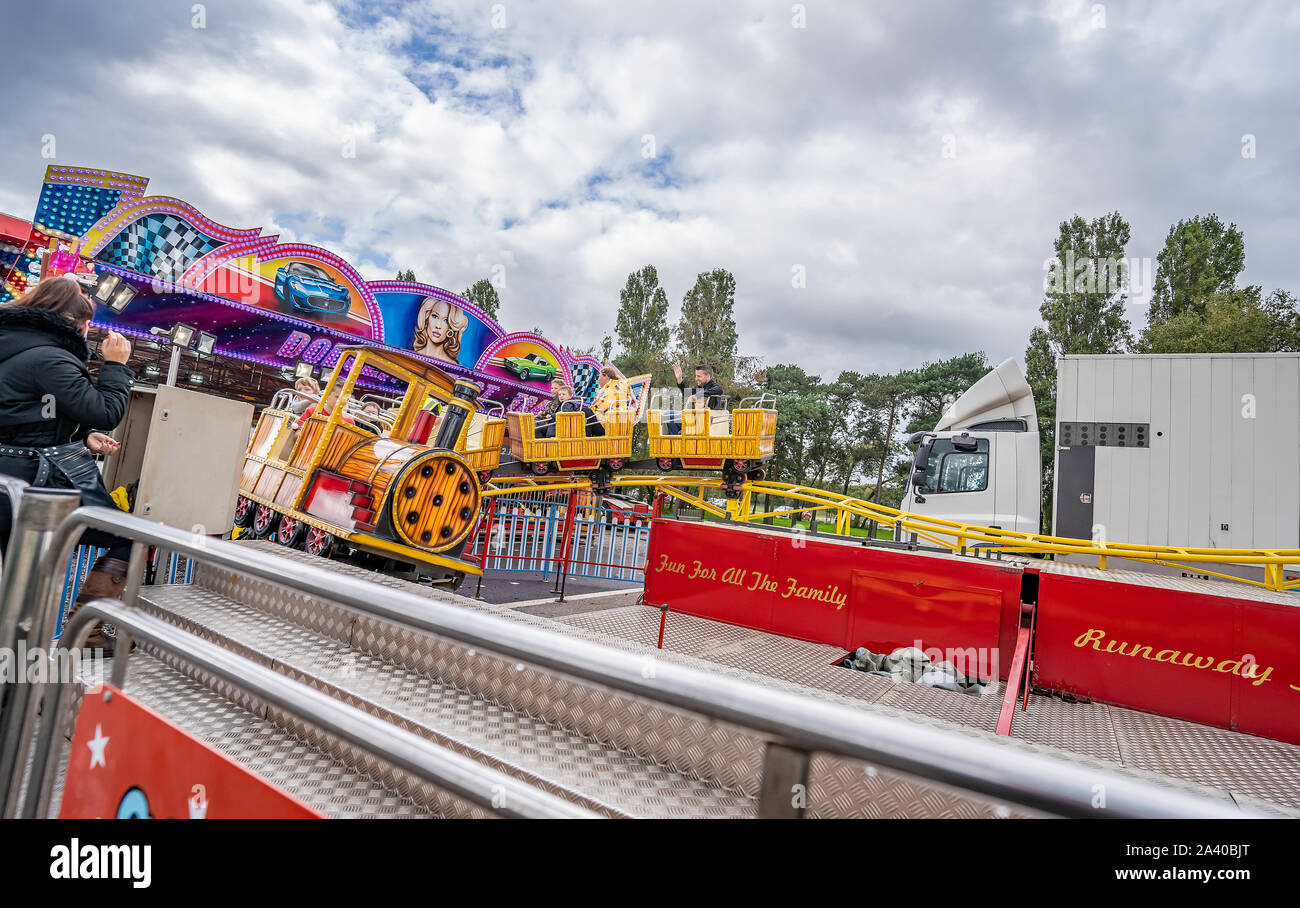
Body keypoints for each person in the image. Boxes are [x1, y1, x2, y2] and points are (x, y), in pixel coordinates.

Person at [0, 277, 135, 651]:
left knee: (14, 586)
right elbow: (106, 411)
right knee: (127, 536)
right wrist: (115, 367)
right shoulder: (49, 356)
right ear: (74, 322)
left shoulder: (14, 345)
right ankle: (90, 631)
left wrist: (77, 435)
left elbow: (21, 413)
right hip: (32, 485)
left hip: (10, 479)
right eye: (87, 323)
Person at [663, 363, 726, 436]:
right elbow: (685, 392)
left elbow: (719, 390)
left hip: (704, 420)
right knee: (669, 414)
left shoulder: (714, 387)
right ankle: (677, 439)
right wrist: (679, 379)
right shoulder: (701, 388)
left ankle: (677, 441)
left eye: (699, 376)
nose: (696, 378)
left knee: (669, 415)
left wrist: (697, 396)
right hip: (696, 418)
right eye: (696, 376)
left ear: (708, 376)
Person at [412, 296, 469, 363]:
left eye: (446, 321)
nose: (438, 326)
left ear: (451, 328)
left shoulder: (453, 364)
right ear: (426, 318)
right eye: (435, 316)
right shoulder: (410, 355)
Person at [589, 366, 632, 437]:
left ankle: (585, 441)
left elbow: (602, 406)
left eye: (599, 377)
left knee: (584, 412)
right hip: (621, 422)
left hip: (609, 424)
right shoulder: (622, 384)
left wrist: (591, 408)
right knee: (587, 414)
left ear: (605, 376)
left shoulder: (611, 388)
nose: (598, 380)